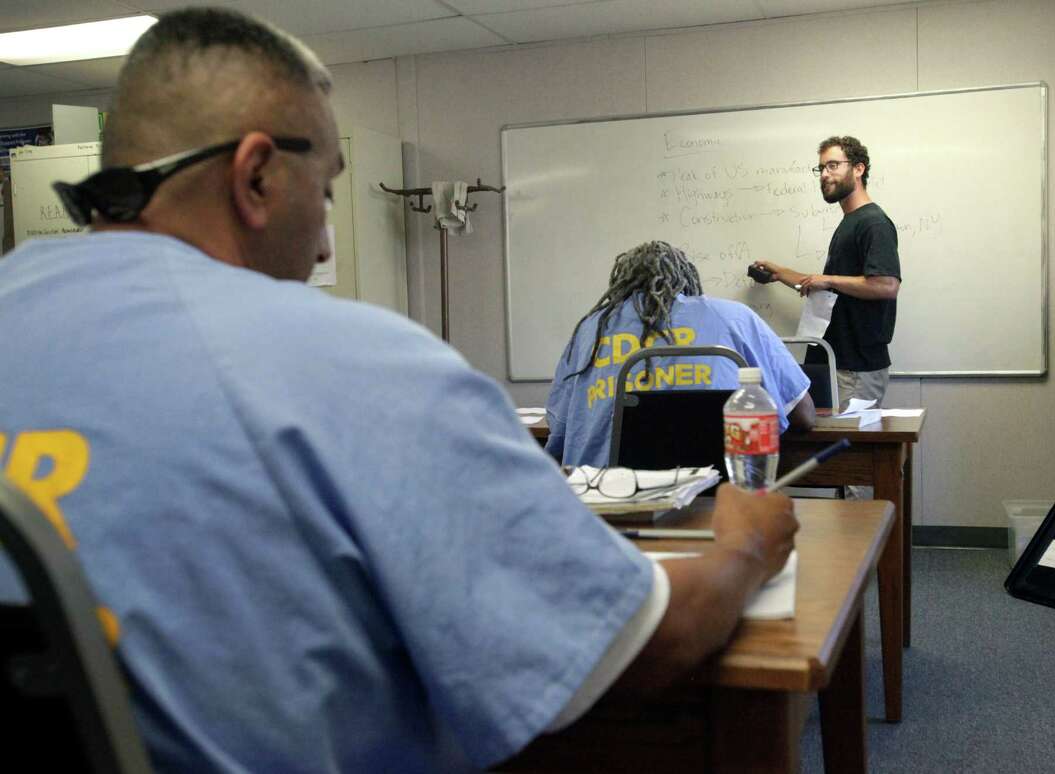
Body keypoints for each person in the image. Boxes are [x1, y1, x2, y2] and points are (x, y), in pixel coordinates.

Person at [0, 9, 799, 773]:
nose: (321, 242)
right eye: (324, 192)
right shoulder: (357, 367)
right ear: (255, 177)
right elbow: (638, 645)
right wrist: (747, 545)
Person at [546, 240, 816, 466]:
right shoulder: (733, 317)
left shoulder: (590, 329)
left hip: (604, 503)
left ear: (621, 282)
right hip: (713, 501)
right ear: (685, 277)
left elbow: (559, 431)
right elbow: (804, 415)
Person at [751, 135, 901, 413]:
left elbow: (886, 285)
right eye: (821, 168)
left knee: (851, 452)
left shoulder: (873, 222)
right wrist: (778, 273)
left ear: (859, 169)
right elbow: (830, 288)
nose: (824, 174)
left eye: (833, 165)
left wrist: (829, 279)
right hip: (837, 363)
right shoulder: (850, 223)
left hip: (857, 369)